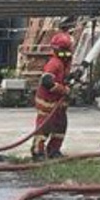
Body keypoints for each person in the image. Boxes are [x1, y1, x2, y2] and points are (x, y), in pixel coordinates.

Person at [31, 31, 75, 160]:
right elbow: (47, 81)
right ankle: (37, 151)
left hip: (58, 104)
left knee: (60, 126)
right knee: (44, 127)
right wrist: (64, 90)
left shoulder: (64, 62)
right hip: (47, 103)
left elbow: (62, 77)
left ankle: (53, 150)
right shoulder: (54, 63)